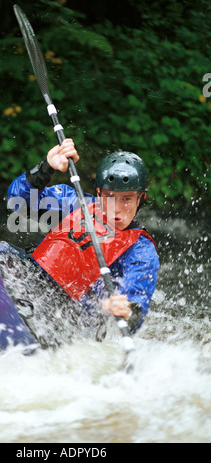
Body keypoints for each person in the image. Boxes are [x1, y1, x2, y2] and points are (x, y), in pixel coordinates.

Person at [8, 139, 160, 333]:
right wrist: (46, 167)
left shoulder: (140, 251)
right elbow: (17, 201)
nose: (117, 208)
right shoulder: (74, 203)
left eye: (127, 199)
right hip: (30, 284)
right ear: (98, 193)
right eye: (110, 197)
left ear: (141, 198)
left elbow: (137, 300)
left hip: (68, 318)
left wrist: (127, 309)